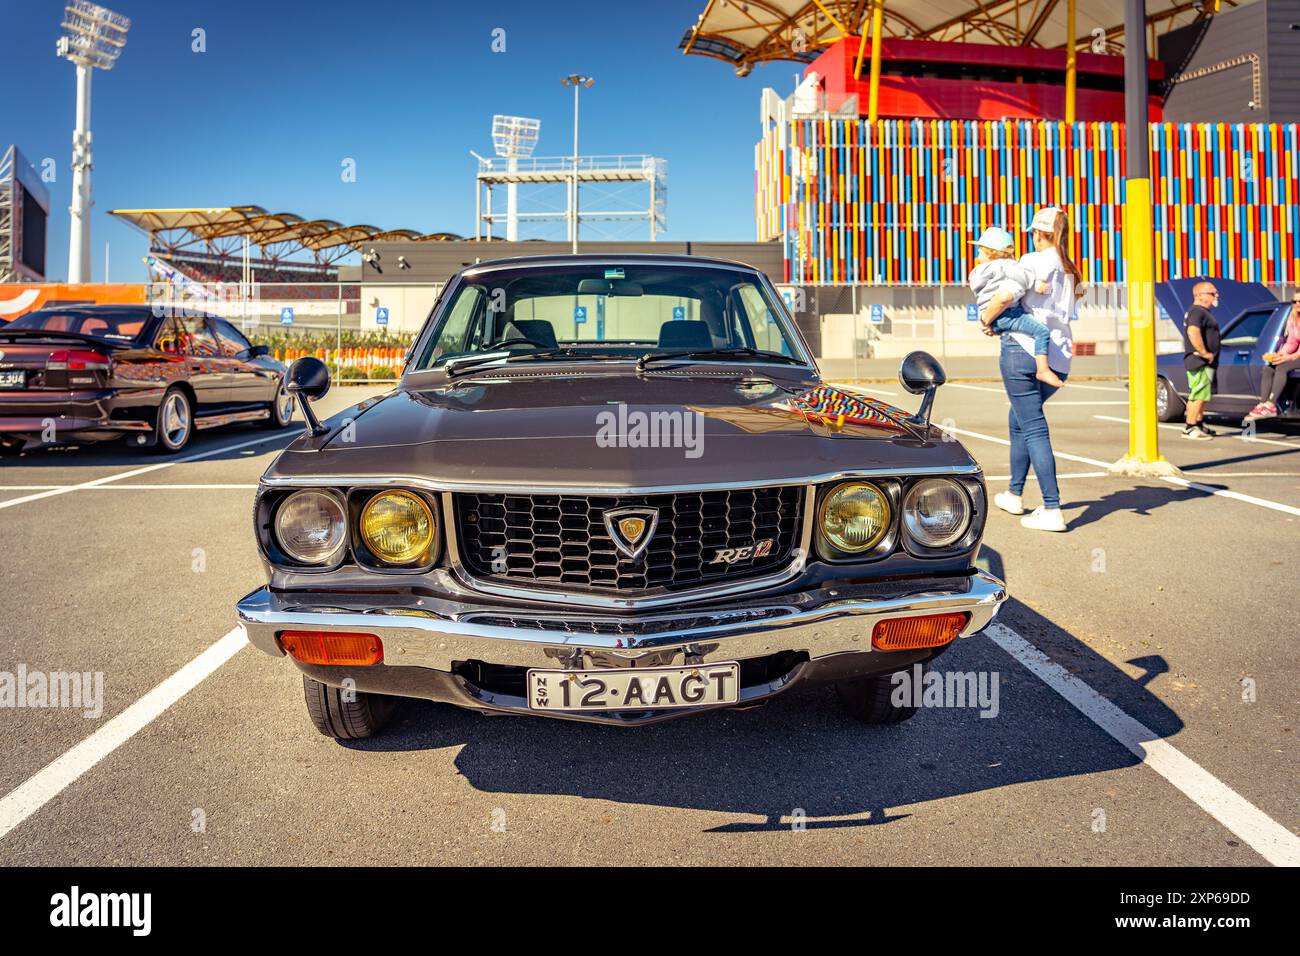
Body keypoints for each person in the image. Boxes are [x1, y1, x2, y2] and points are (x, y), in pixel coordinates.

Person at [980, 206, 1081, 533]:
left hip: (1022, 349)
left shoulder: (1031, 261)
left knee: (1033, 426)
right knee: (1020, 419)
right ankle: (1014, 493)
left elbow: (1006, 296)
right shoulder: (1071, 268)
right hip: (1060, 357)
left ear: (1037, 233)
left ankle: (1052, 508)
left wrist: (986, 319)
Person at [968, 226, 1063, 388]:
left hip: (992, 317)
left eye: (980, 252)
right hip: (1010, 313)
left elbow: (984, 296)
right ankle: (1043, 369)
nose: (977, 256)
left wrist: (986, 321)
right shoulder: (1007, 266)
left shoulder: (977, 273)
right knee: (1041, 332)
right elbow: (1022, 277)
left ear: (990, 252)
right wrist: (1036, 284)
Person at [1245, 291, 1300, 421]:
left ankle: (1271, 404)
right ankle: (1263, 404)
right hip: (1296, 355)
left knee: (1282, 368)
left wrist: (1289, 357)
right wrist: (1279, 354)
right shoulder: (1293, 318)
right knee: (1269, 367)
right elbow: (1292, 342)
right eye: (1294, 301)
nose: (1297, 304)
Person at [1180, 281, 1221, 440]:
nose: (1216, 296)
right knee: (1198, 395)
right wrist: (1204, 353)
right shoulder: (1197, 312)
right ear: (1199, 295)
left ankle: (1198, 423)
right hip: (1200, 362)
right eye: (1212, 293)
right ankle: (1190, 428)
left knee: (1203, 394)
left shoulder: (1201, 312)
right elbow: (1193, 331)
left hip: (1206, 362)